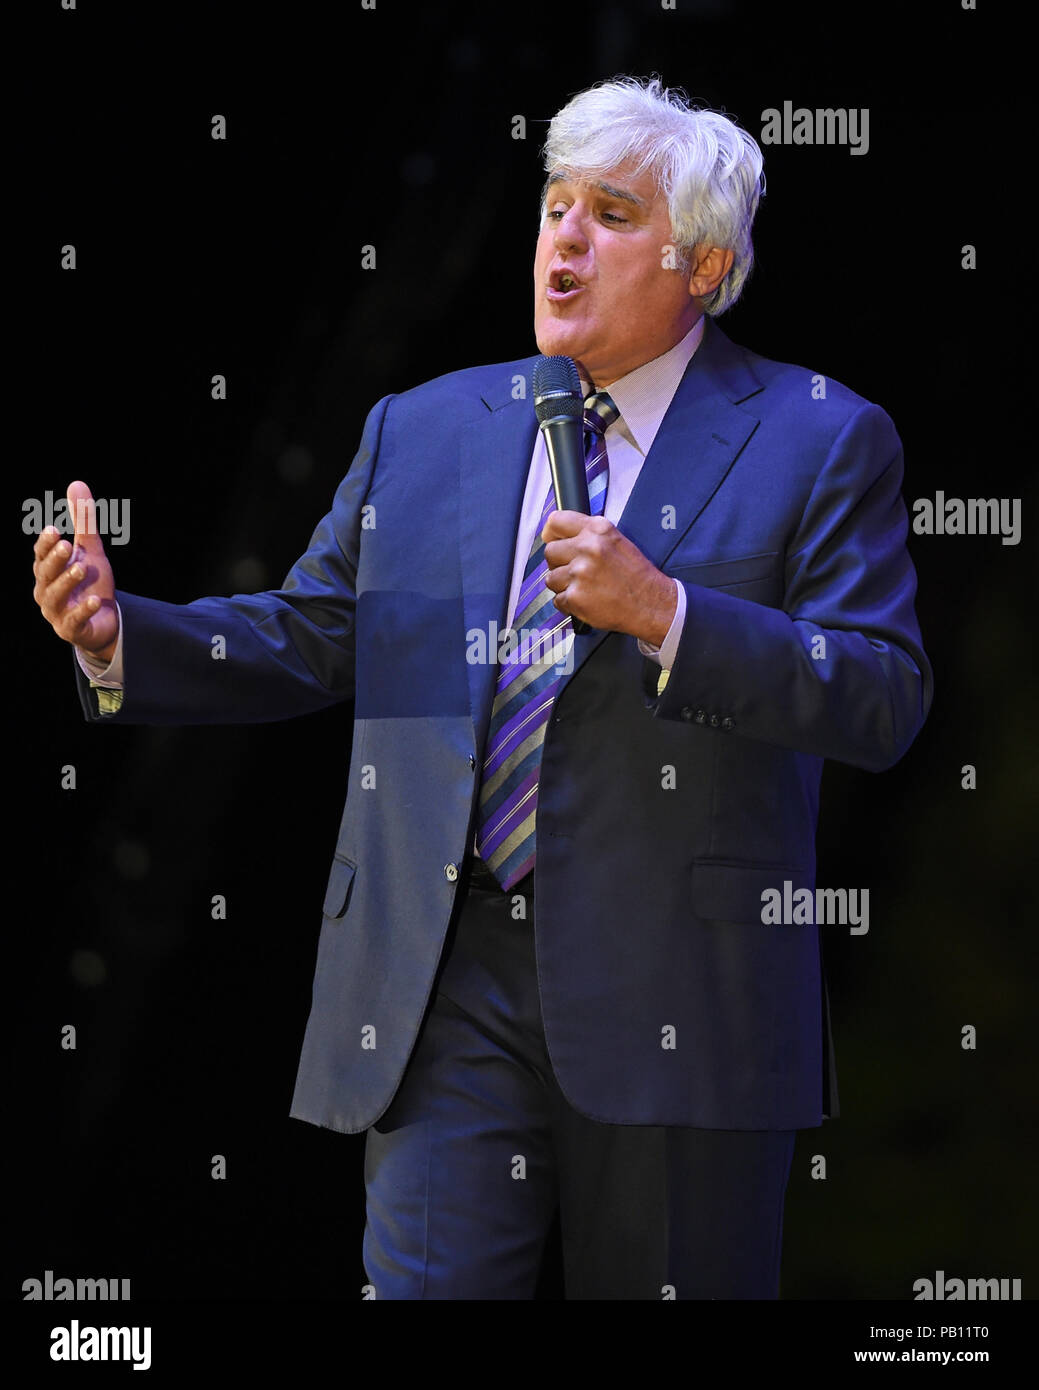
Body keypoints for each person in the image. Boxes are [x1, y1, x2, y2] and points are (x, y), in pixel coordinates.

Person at [31, 76, 933, 1299]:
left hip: (678, 997)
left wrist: (664, 611)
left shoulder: (820, 435)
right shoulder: (427, 426)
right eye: (554, 203)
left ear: (703, 265)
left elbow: (879, 693)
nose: (563, 234)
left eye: (610, 213)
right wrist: (116, 636)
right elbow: (312, 632)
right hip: (440, 979)